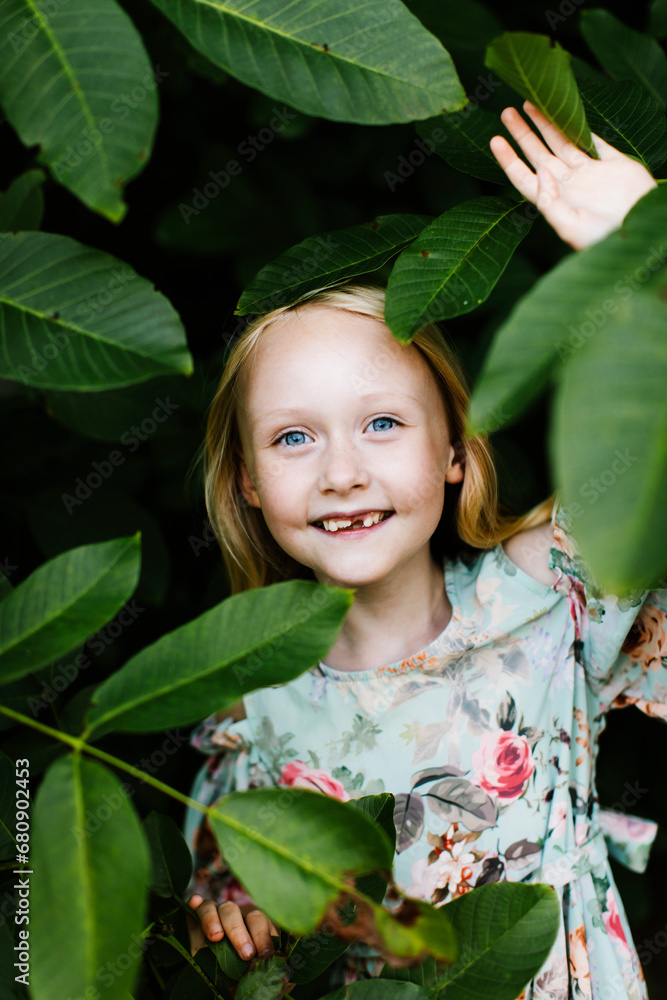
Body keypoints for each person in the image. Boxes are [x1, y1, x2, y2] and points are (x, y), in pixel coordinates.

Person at [183, 101, 666, 997]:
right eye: (292, 438)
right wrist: (233, 910)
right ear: (246, 480)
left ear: (452, 450)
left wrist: (644, 248)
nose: (340, 472)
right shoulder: (249, 709)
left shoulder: (545, 598)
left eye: (381, 423)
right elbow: (224, 914)